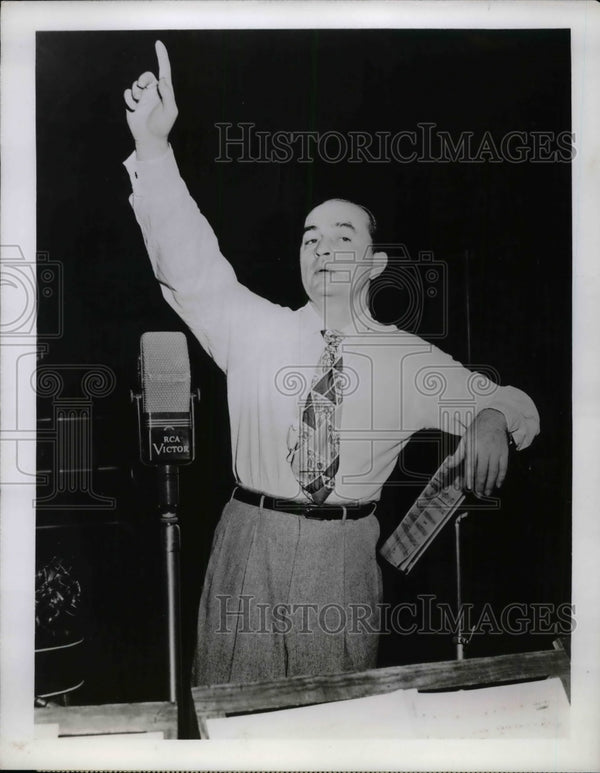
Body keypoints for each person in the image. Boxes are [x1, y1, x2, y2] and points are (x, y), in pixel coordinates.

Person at [123, 42, 540, 686]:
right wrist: (153, 148)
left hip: (342, 561)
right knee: (228, 723)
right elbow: (189, 261)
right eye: (310, 238)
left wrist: (491, 417)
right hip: (247, 545)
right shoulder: (252, 327)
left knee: (332, 725)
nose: (322, 249)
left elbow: (515, 404)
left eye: (343, 237)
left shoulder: (407, 359)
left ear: (374, 263)